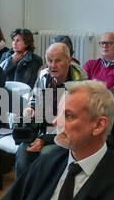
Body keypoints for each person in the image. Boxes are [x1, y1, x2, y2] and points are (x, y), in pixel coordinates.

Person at [14, 41, 72, 177]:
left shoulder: (80, 83)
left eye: (58, 61)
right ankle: (20, 195)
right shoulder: (43, 76)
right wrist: (31, 108)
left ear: (68, 60)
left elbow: (72, 124)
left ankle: (41, 196)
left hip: (63, 136)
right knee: (22, 154)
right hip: (40, 131)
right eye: (50, 61)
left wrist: (45, 139)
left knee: (45, 156)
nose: (53, 65)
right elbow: (34, 98)